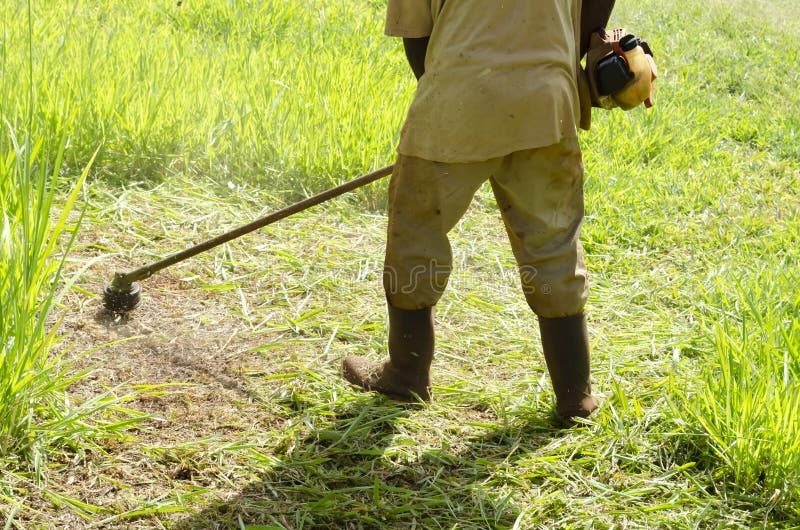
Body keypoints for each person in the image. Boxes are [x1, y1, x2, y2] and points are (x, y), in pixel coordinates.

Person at [342, 0, 618, 423]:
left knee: (416, 234)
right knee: (554, 242)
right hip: (548, 100)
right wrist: (560, 56)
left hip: (456, 95)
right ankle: (575, 398)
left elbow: (417, 39)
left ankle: (406, 373)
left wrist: (459, 99)